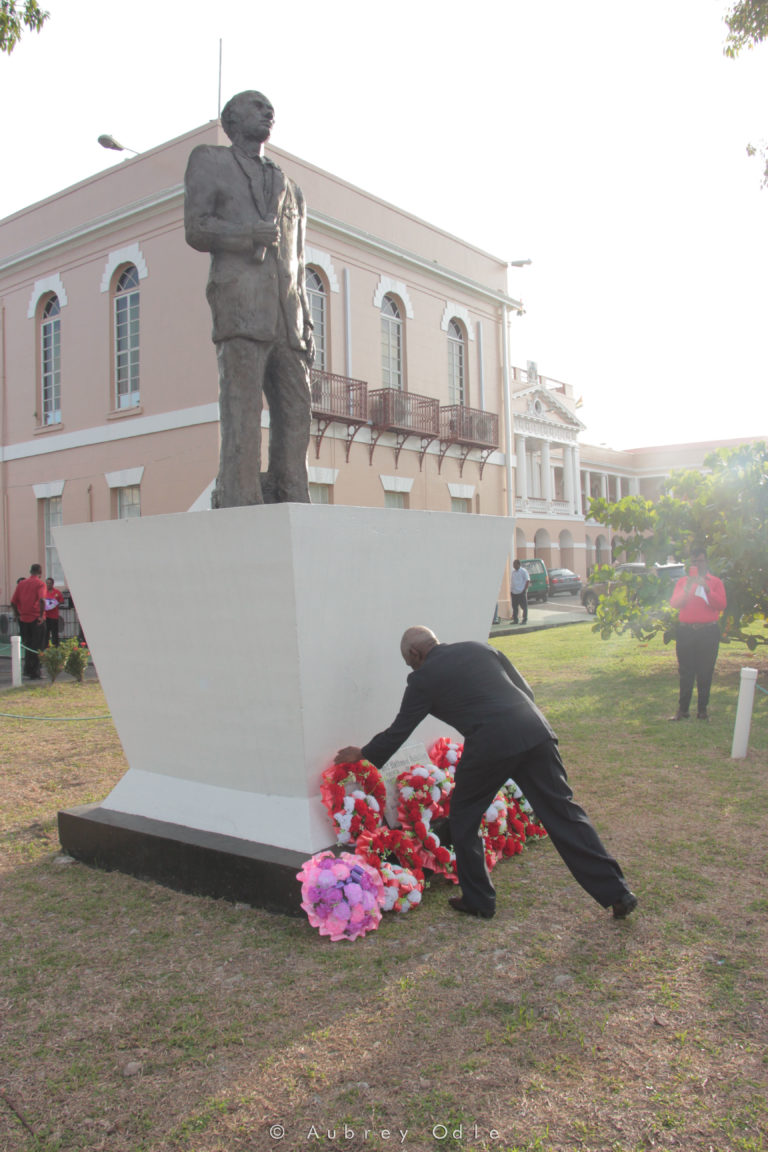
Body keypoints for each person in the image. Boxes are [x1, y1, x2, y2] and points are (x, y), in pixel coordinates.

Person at [336, 626, 637, 921]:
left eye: (409, 661)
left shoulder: (423, 679)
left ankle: (479, 900)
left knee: (464, 817)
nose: (411, 667)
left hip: (490, 746)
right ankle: (618, 893)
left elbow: (399, 730)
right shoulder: (480, 648)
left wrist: (362, 753)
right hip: (535, 732)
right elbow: (526, 690)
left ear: (415, 653)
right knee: (564, 812)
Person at [184, 90, 315, 508]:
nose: (268, 112)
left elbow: (297, 259)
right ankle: (238, 497)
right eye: (257, 106)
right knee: (241, 411)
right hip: (241, 306)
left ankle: (290, 493)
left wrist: (306, 321)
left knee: (296, 411)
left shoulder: (291, 187)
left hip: (287, 316)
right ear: (232, 120)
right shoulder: (211, 161)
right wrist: (246, 236)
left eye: (269, 108)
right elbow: (197, 228)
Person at [668, 547, 727, 721]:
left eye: (700, 561)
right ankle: (683, 710)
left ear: (706, 562)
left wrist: (707, 588)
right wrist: (688, 587)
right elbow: (675, 603)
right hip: (686, 631)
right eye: (694, 562)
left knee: (705, 671)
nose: (697, 564)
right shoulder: (683, 582)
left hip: (708, 631)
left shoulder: (715, 582)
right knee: (685, 671)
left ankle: (702, 710)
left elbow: (721, 604)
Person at [11, 563, 47, 680]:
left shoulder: (22, 583)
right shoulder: (40, 584)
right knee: (38, 645)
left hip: (24, 619)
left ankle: (27, 669)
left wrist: (17, 614)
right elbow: (42, 600)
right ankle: (35, 671)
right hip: (36, 618)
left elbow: (13, 601)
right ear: (40, 573)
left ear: (30, 571)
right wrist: (41, 616)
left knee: (27, 645)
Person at [43, 577, 64, 647]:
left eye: (50, 583)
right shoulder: (43, 592)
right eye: (47, 583)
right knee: (46, 633)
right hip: (46, 616)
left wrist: (54, 603)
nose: (48, 585)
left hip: (54, 616)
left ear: (53, 584)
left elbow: (61, 600)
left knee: (55, 632)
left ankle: (56, 646)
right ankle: (45, 646)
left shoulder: (57, 592)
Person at [510, 559, 531, 624]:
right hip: (514, 592)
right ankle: (515, 620)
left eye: (515, 564)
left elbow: (527, 580)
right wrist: (511, 590)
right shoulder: (513, 572)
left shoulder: (523, 571)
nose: (513, 565)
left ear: (518, 564)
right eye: (513, 564)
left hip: (521, 592)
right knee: (514, 607)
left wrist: (524, 590)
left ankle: (524, 619)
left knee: (524, 606)